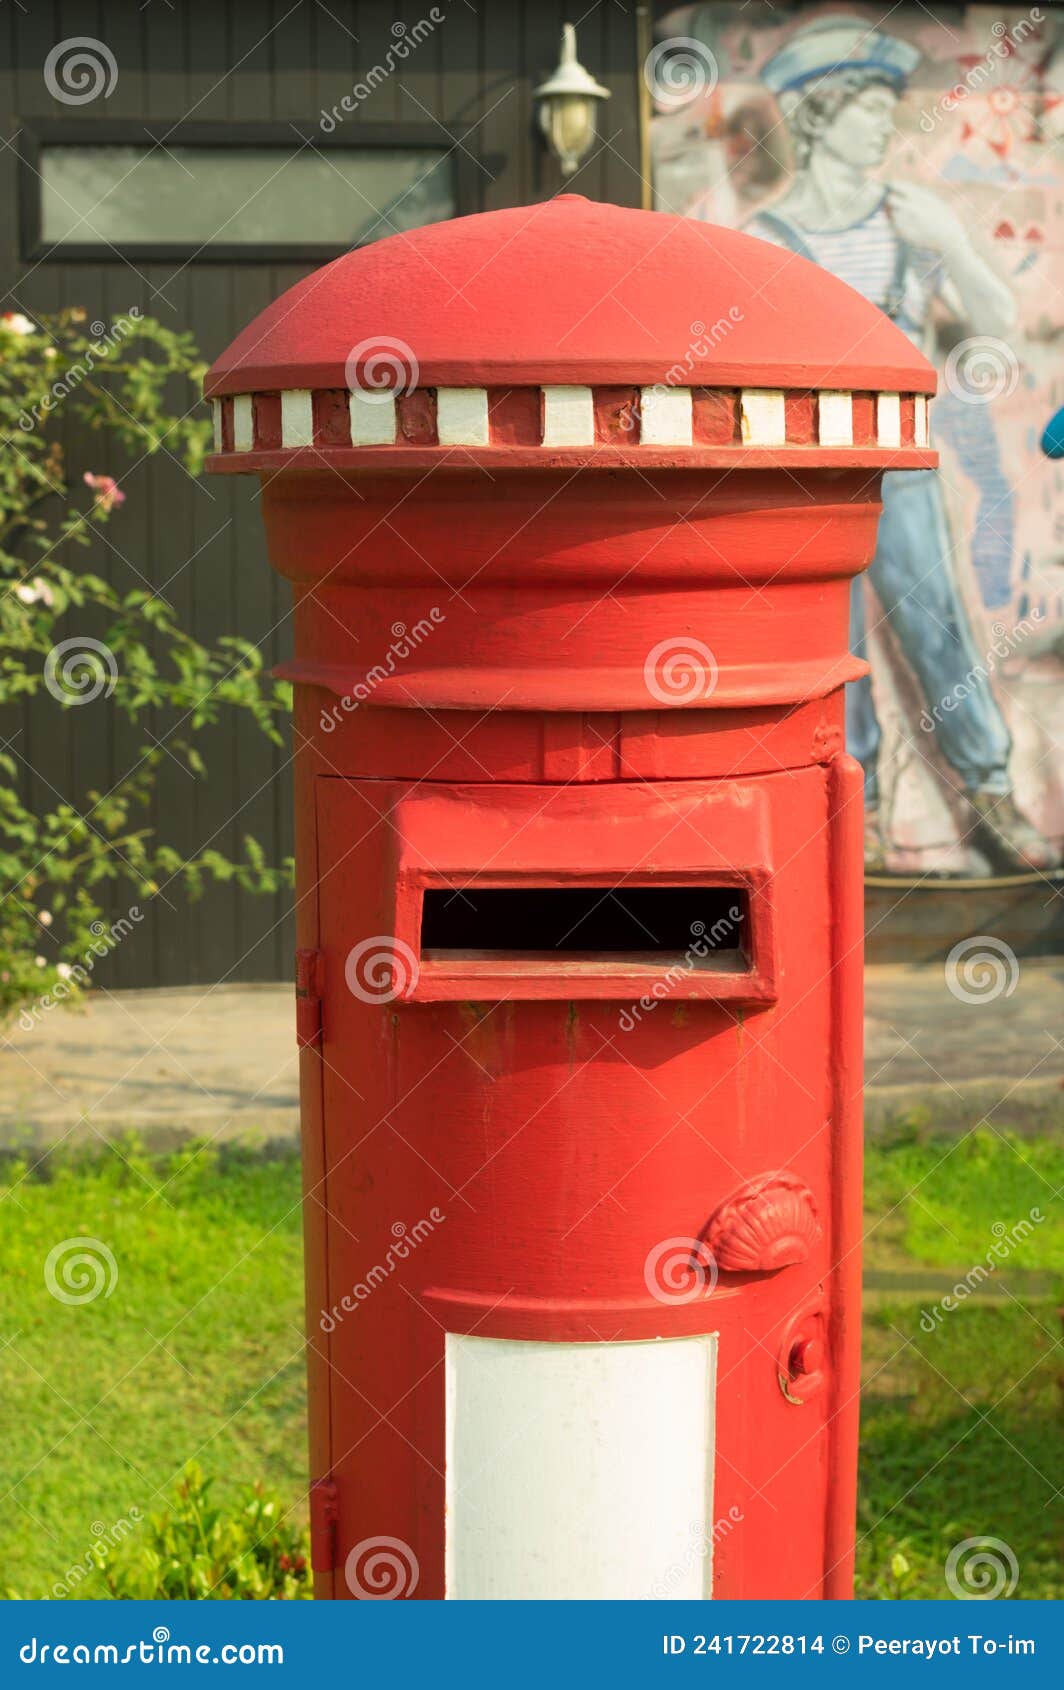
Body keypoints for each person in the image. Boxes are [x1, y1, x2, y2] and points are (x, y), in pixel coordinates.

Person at [748, 14, 1058, 873]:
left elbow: (1002, 320)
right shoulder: (769, 239)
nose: (885, 123)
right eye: (866, 107)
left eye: (889, 105)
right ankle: (859, 808)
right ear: (816, 115)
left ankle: (990, 793)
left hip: (906, 469)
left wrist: (952, 244)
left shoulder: (912, 217)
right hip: (809, 475)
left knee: (937, 632)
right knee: (828, 641)